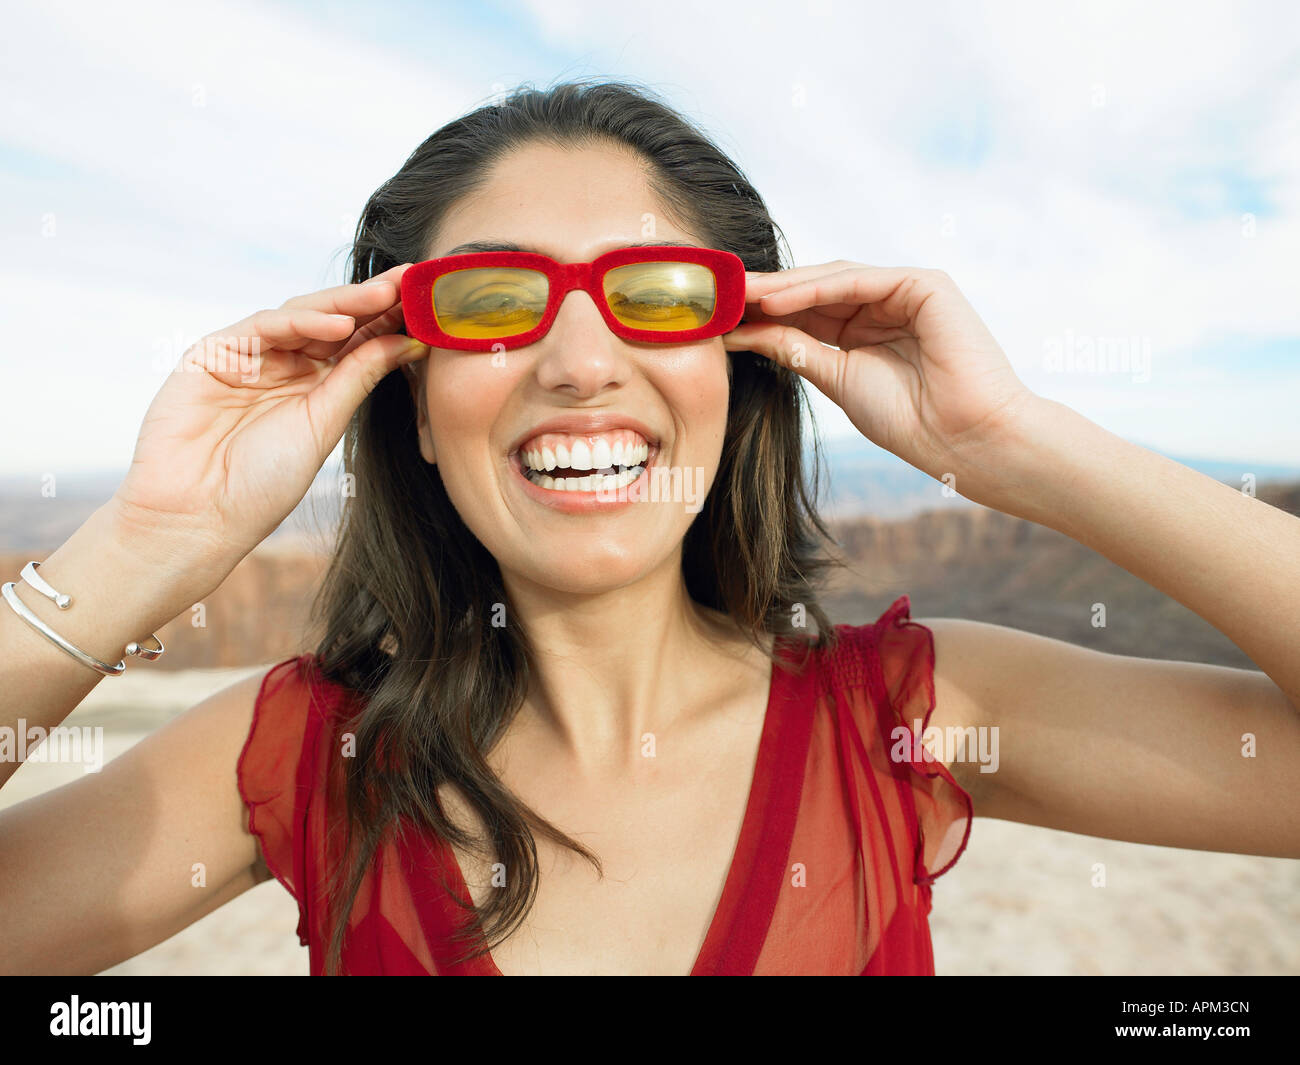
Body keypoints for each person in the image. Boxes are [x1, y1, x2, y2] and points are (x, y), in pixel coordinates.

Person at [2, 79, 1297, 977]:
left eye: (658, 298)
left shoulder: (913, 712)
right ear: (409, 395)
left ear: (740, 374)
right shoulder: (304, 760)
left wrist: (1016, 445)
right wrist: (145, 545)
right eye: (495, 298)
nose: (578, 361)